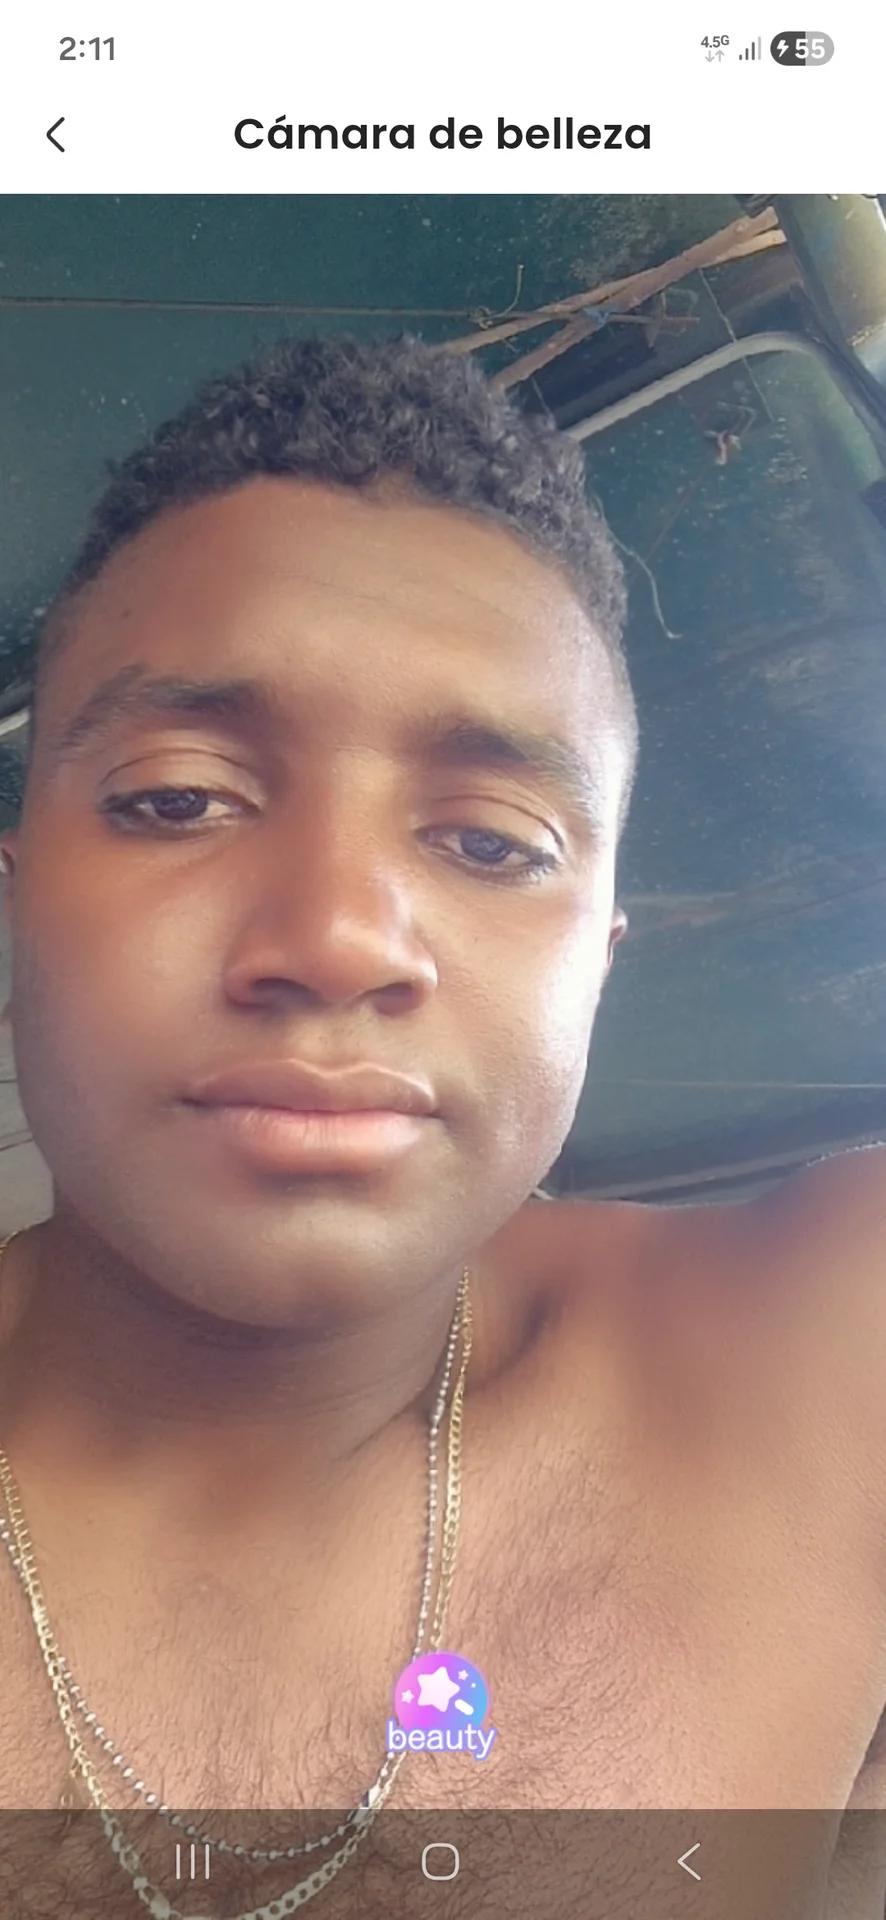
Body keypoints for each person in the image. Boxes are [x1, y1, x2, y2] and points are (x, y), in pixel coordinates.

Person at [0, 333, 884, 1919]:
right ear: (18, 904)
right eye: (177, 798)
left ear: (597, 956)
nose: (340, 937)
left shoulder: (830, 1355)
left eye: (491, 842)